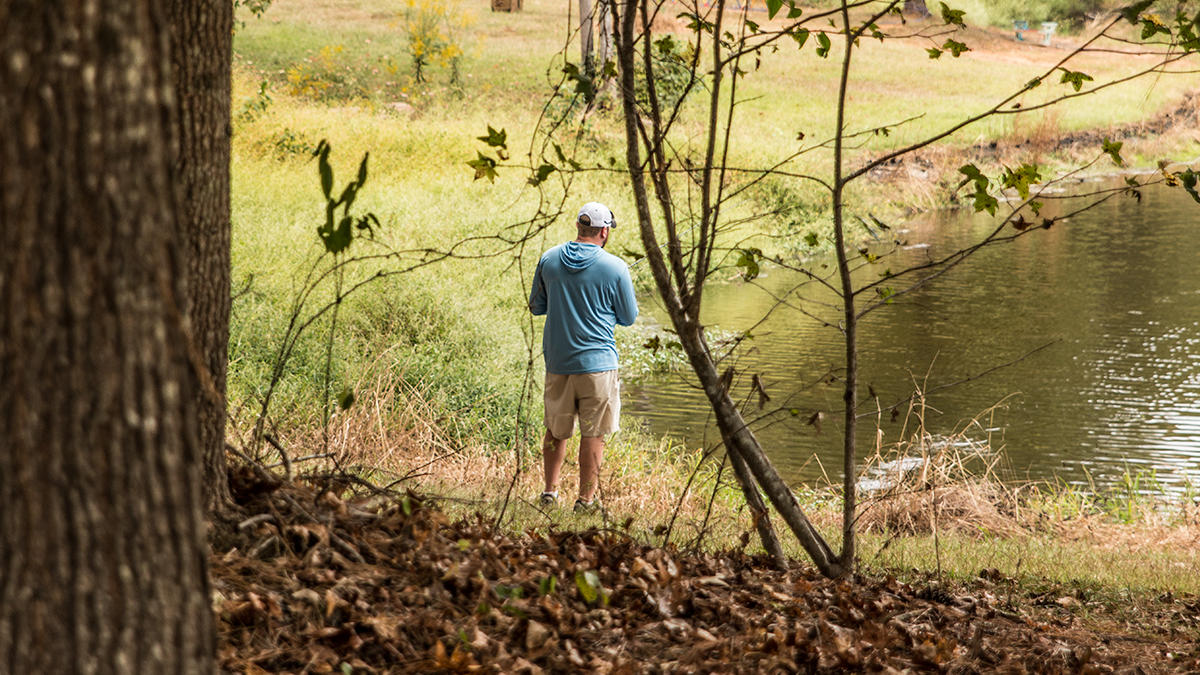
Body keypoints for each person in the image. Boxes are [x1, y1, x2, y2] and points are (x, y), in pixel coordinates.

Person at [528, 202, 638, 514]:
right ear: (604, 232)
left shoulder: (549, 259)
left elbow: (536, 306)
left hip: (558, 362)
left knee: (556, 429)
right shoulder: (616, 267)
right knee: (594, 434)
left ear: (579, 226)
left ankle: (549, 493)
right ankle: (585, 501)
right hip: (598, 366)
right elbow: (628, 317)